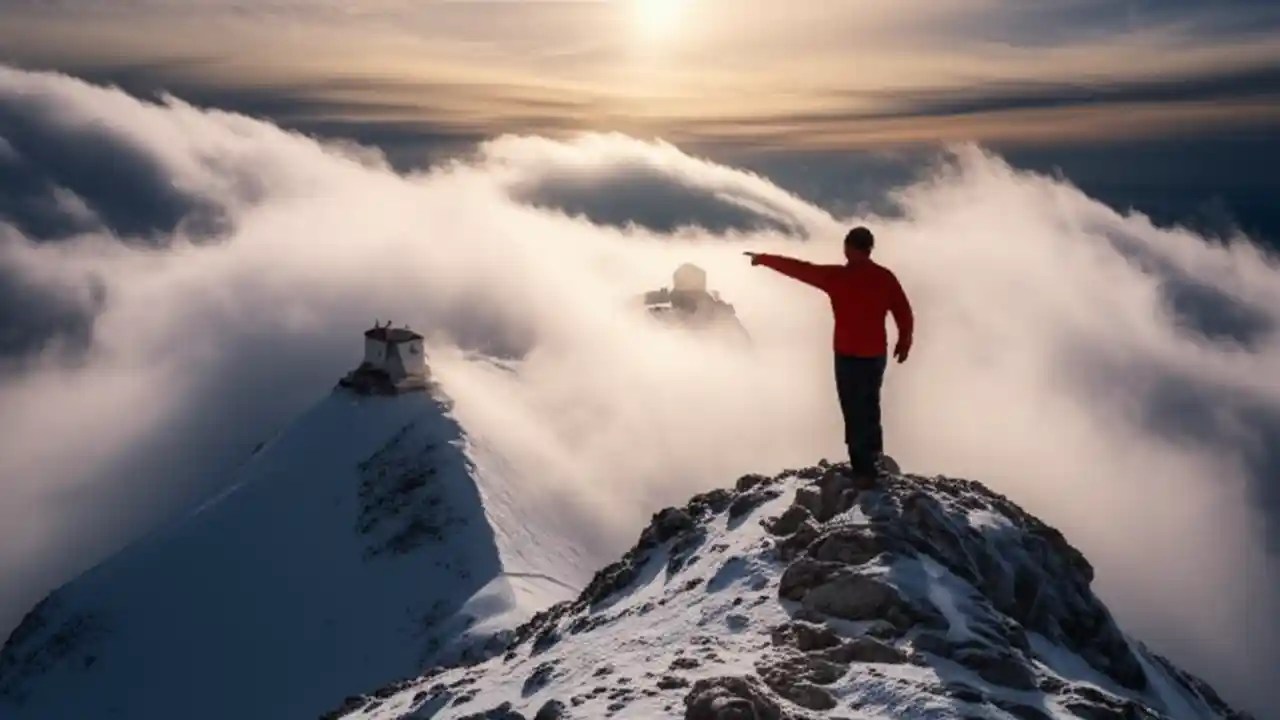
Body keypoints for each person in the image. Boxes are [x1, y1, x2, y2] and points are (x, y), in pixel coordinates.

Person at [745, 226, 913, 476]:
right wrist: (904, 341)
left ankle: (863, 469)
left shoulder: (836, 277)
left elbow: (800, 269)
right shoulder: (885, 277)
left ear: (848, 247)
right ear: (869, 249)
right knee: (870, 404)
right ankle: (874, 457)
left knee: (852, 408)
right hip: (875, 353)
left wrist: (763, 259)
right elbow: (903, 310)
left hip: (846, 355)